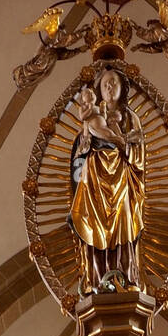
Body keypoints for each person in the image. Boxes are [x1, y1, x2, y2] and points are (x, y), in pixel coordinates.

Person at [69, 68, 145, 292]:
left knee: (124, 222)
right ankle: (96, 278)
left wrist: (124, 145)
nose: (110, 88)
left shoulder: (131, 118)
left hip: (122, 179)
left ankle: (126, 276)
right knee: (94, 223)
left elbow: (138, 155)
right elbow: (80, 152)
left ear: (122, 89)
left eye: (114, 84)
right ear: (99, 91)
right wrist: (86, 143)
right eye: (106, 85)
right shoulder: (92, 115)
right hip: (94, 178)